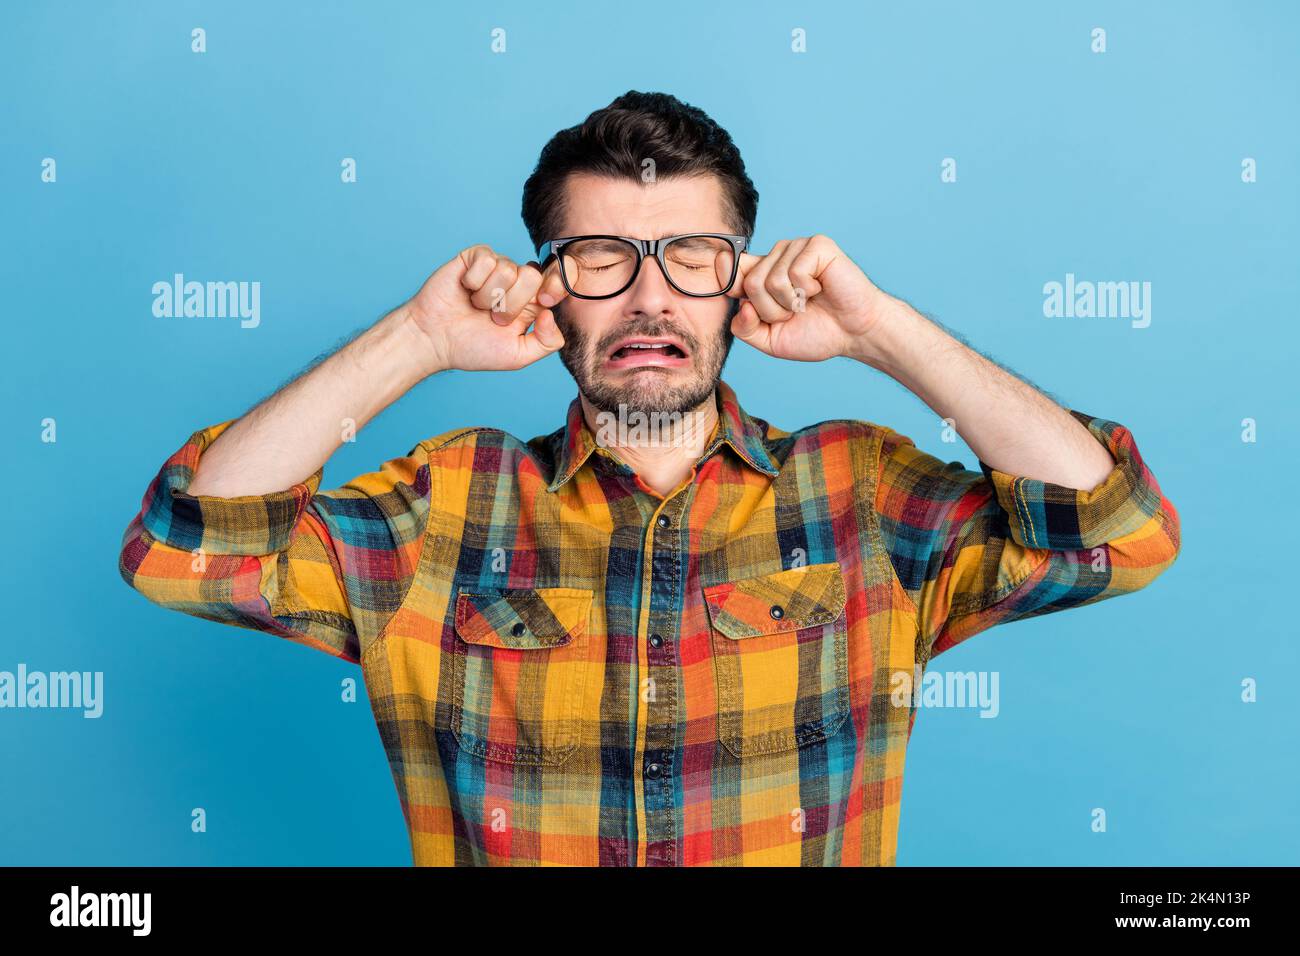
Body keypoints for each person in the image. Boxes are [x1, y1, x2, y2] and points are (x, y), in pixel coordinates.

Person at [118, 90, 1181, 866]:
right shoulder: (448, 503)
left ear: (740, 284)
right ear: (548, 289)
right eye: (599, 258)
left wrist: (880, 331)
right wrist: (418, 336)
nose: (649, 299)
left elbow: (1114, 532)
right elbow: (184, 553)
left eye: (692, 256)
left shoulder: (857, 491)